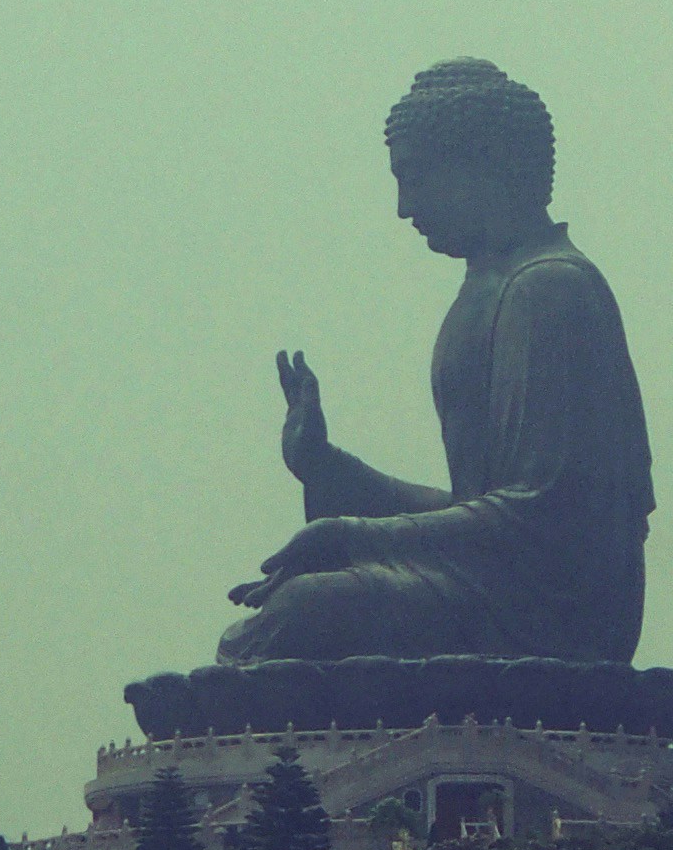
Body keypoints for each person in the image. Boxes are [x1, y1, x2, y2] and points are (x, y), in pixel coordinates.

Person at [219, 58, 651, 665]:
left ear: (484, 167)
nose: (402, 206)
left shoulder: (550, 290)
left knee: (302, 617)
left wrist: (354, 538)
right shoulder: (488, 290)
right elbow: (475, 509)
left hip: (553, 619)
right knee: (288, 619)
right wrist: (331, 472)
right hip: (495, 588)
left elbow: (545, 520)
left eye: (415, 178)